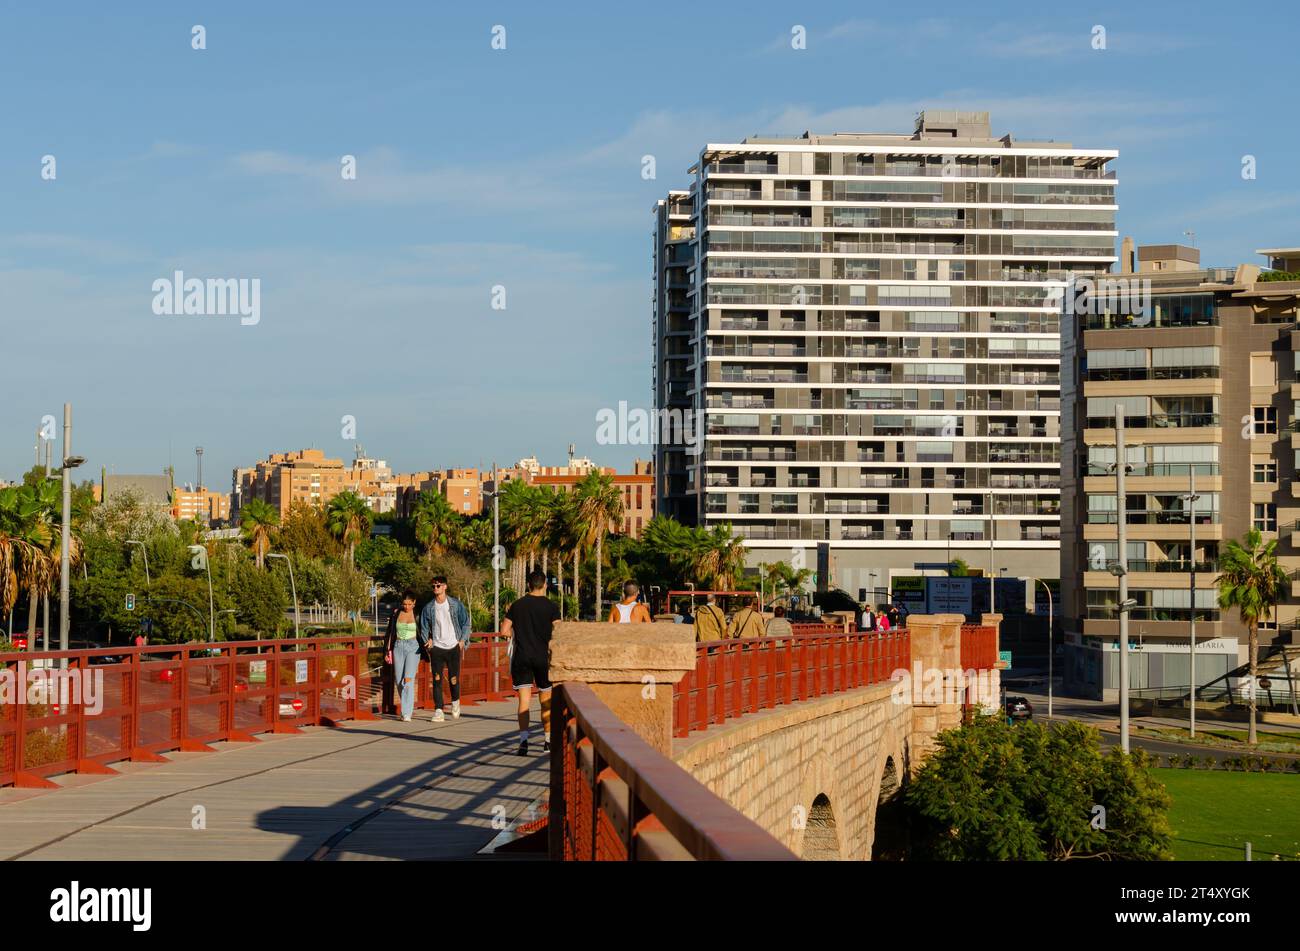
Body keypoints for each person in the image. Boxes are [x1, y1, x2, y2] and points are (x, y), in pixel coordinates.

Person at [501, 569, 561, 755]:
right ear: (545, 585)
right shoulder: (551, 606)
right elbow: (559, 631)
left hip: (522, 657)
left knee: (524, 702)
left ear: (528, 584)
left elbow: (504, 631)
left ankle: (524, 742)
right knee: (546, 701)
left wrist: (515, 634)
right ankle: (548, 741)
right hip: (544, 658)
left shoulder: (517, 605)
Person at [419, 575, 472, 722]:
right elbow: (423, 627)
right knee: (436, 680)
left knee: (453, 679)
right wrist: (427, 641)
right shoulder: (429, 608)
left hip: (453, 646)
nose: (435, 588)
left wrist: (462, 641)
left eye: (438, 585)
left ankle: (455, 703)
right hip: (437, 648)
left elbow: (466, 623)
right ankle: (439, 710)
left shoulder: (455, 604)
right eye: (434, 586)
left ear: (445, 587)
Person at [384, 590, 421, 722]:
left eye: (409, 604)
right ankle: (407, 706)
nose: (407, 607)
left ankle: (406, 713)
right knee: (399, 681)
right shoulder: (396, 613)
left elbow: (426, 630)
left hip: (413, 647)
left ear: (414, 603)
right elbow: (389, 633)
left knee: (408, 680)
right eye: (404, 604)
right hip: (398, 646)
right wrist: (387, 651)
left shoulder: (418, 614)